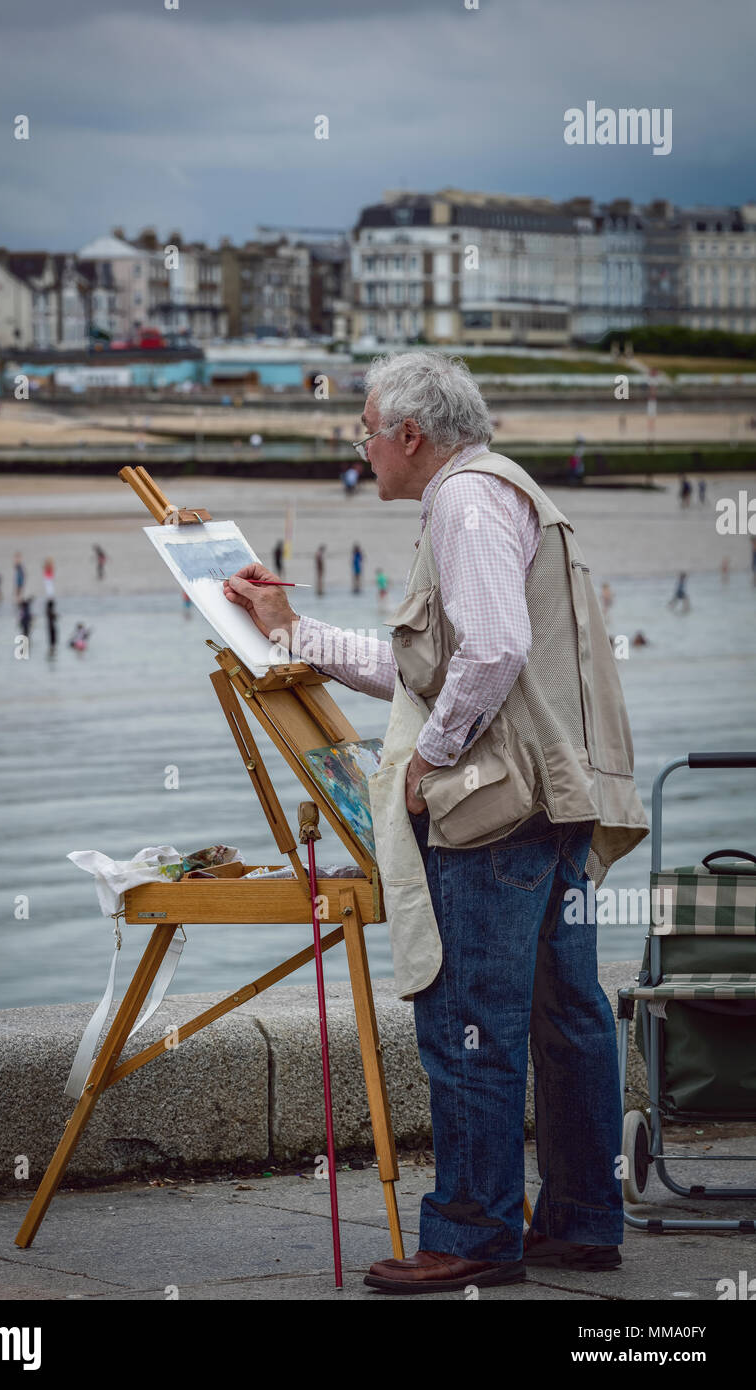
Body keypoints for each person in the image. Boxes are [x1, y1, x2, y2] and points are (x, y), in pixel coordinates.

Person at [223, 350, 648, 1294]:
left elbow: (493, 649)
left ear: (410, 434)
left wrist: (429, 760)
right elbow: (429, 661)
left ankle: (472, 1235)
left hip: (494, 811)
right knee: (566, 1017)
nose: (361, 447)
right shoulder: (499, 491)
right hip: (556, 800)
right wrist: (295, 632)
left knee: (468, 1022)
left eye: (366, 431)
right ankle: (581, 1222)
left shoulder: (461, 503)